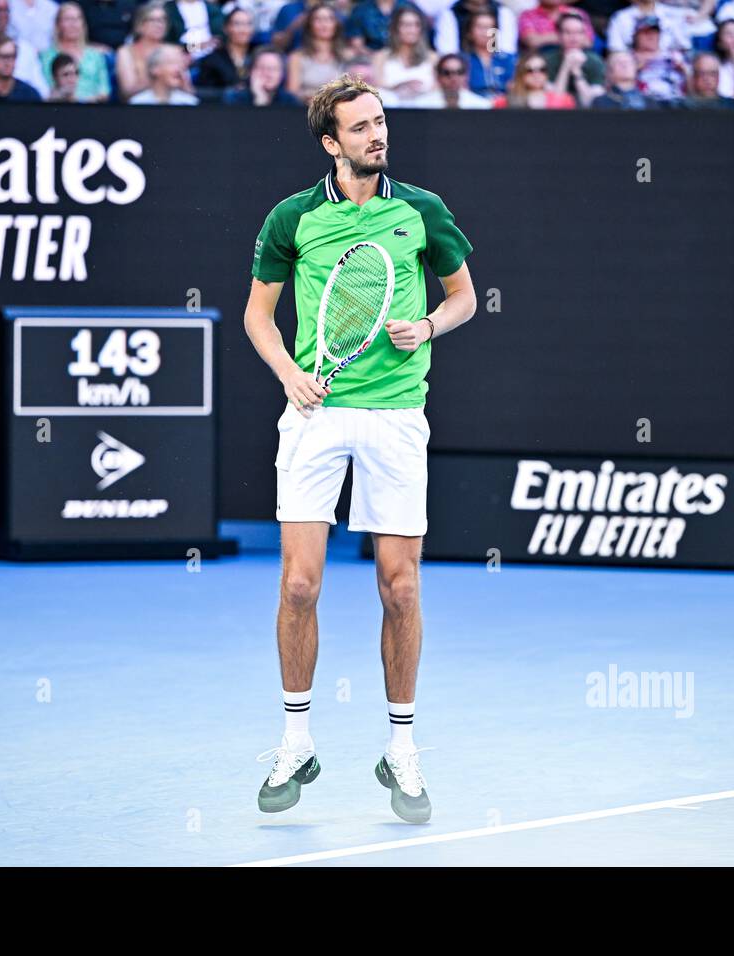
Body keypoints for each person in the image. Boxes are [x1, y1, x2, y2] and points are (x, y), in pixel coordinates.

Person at [244, 73, 476, 824]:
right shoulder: (292, 218)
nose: (377, 134)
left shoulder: (423, 211)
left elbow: (463, 296)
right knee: (300, 587)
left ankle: (401, 750)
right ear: (330, 141)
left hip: (397, 416)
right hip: (315, 416)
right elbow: (257, 316)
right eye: (361, 126)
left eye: (381, 121)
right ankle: (295, 740)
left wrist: (431, 327)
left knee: (400, 587)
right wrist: (289, 376)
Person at [39, 2, 111, 102]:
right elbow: (47, 88)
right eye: (68, 19)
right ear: (58, 24)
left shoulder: (95, 55)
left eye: (78, 19)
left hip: (91, 109)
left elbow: (104, 92)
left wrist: (84, 102)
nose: (73, 24)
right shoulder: (46, 56)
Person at [372, 4, 438, 103]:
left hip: (425, 111)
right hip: (390, 111)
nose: (412, 30)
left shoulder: (433, 58)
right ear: (395, 28)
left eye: (417, 25)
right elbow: (375, 89)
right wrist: (399, 86)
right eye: (406, 25)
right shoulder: (381, 57)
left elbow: (437, 90)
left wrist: (419, 91)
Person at [287, 1, 346, 101]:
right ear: (310, 25)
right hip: (305, 110)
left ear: (336, 24)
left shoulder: (346, 55)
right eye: (318, 19)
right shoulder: (297, 57)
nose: (324, 24)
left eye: (329, 19)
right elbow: (292, 93)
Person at [115, 2, 175, 101]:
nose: (160, 25)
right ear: (140, 24)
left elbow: (189, 91)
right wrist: (160, 78)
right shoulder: (125, 52)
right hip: (138, 108)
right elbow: (127, 91)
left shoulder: (173, 50)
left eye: (163, 20)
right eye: (153, 20)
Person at [197, 6, 257, 91]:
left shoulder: (260, 55)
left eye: (248, 24)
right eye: (237, 24)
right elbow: (207, 94)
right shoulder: (212, 60)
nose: (244, 30)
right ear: (226, 28)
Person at [493, 48, 575, 104]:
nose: (536, 75)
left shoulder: (564, 100)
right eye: (530, 71)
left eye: (542, 70)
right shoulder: (504, 102)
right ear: (521, 73)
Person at [223, 45, 303, 101]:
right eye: (262, 68)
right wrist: (259, 98)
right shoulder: (235, 98)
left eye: (273, 69)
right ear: (251, 71)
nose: (267, 74)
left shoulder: (289, 101)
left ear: (282, 74)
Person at [411, 50, 494, 104]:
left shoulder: (481, 106)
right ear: (438, 77)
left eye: (459, 72)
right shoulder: (421, 105)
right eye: (447, 73)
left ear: (466, 76)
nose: (453, 78)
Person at [464, 9, 516, 94]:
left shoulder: (510, 59)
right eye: (480, 27)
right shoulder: (462, 60)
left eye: (489, 27)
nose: (485, 32)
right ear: (469, 32)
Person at [128, 42, 201, 101]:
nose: (179, 69)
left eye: (181, 64)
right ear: (154, 68)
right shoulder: (138, 103)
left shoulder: (189, 103)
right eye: (172, 63)